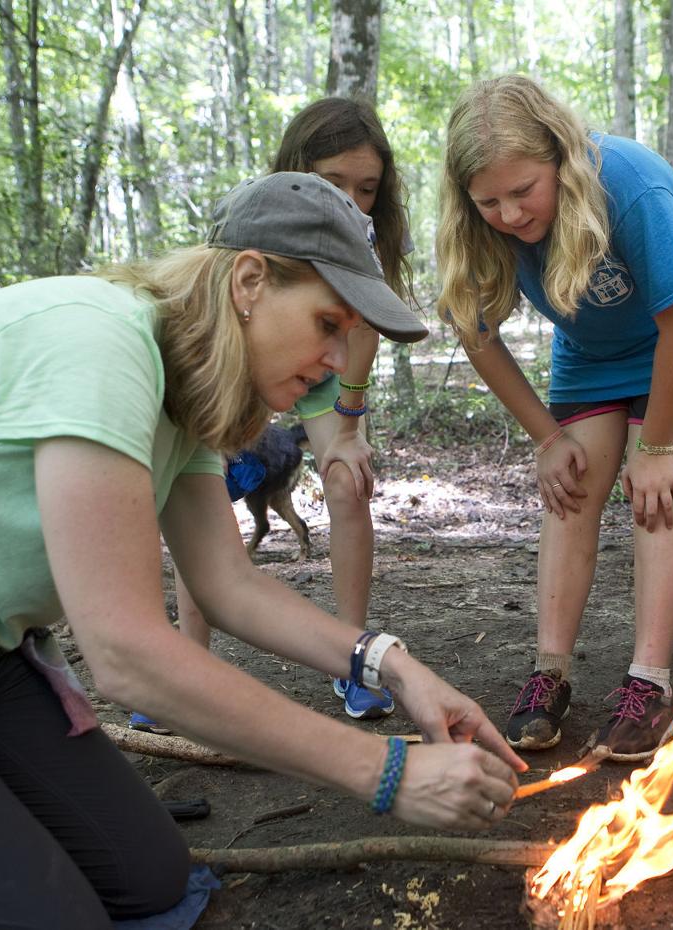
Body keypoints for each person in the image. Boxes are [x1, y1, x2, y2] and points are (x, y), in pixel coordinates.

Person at [0, 172, 524, 929]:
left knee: (150, 880)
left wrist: (394, 664)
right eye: (327, 323)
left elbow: (227, 583)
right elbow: (124, 653)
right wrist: (383, 772)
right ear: (250, 280)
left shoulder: (183, 390)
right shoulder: (95, 344)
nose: (336, 358)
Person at [437, 75, 673, 763]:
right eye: (490, 201)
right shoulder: (475, 226)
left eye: (524, 192)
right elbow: (474, 333)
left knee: (653, 492)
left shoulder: (627, 185)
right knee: (571, 486)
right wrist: (547, 438)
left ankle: (649, 685)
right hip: (592, 341)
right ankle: (550, 674)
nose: (510, 215)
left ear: (561, 159)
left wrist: (657, 446)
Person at [160, 98, 414, 726]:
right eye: (335, 185)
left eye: (368, 189)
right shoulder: (265, 232)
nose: (353, 203)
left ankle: (351, 661)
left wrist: (349, 430)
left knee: (348, 483)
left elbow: (358, 335)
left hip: (326, 373)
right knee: (205, 491)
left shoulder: (367, 241)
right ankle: (187, 668)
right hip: (256, 349)